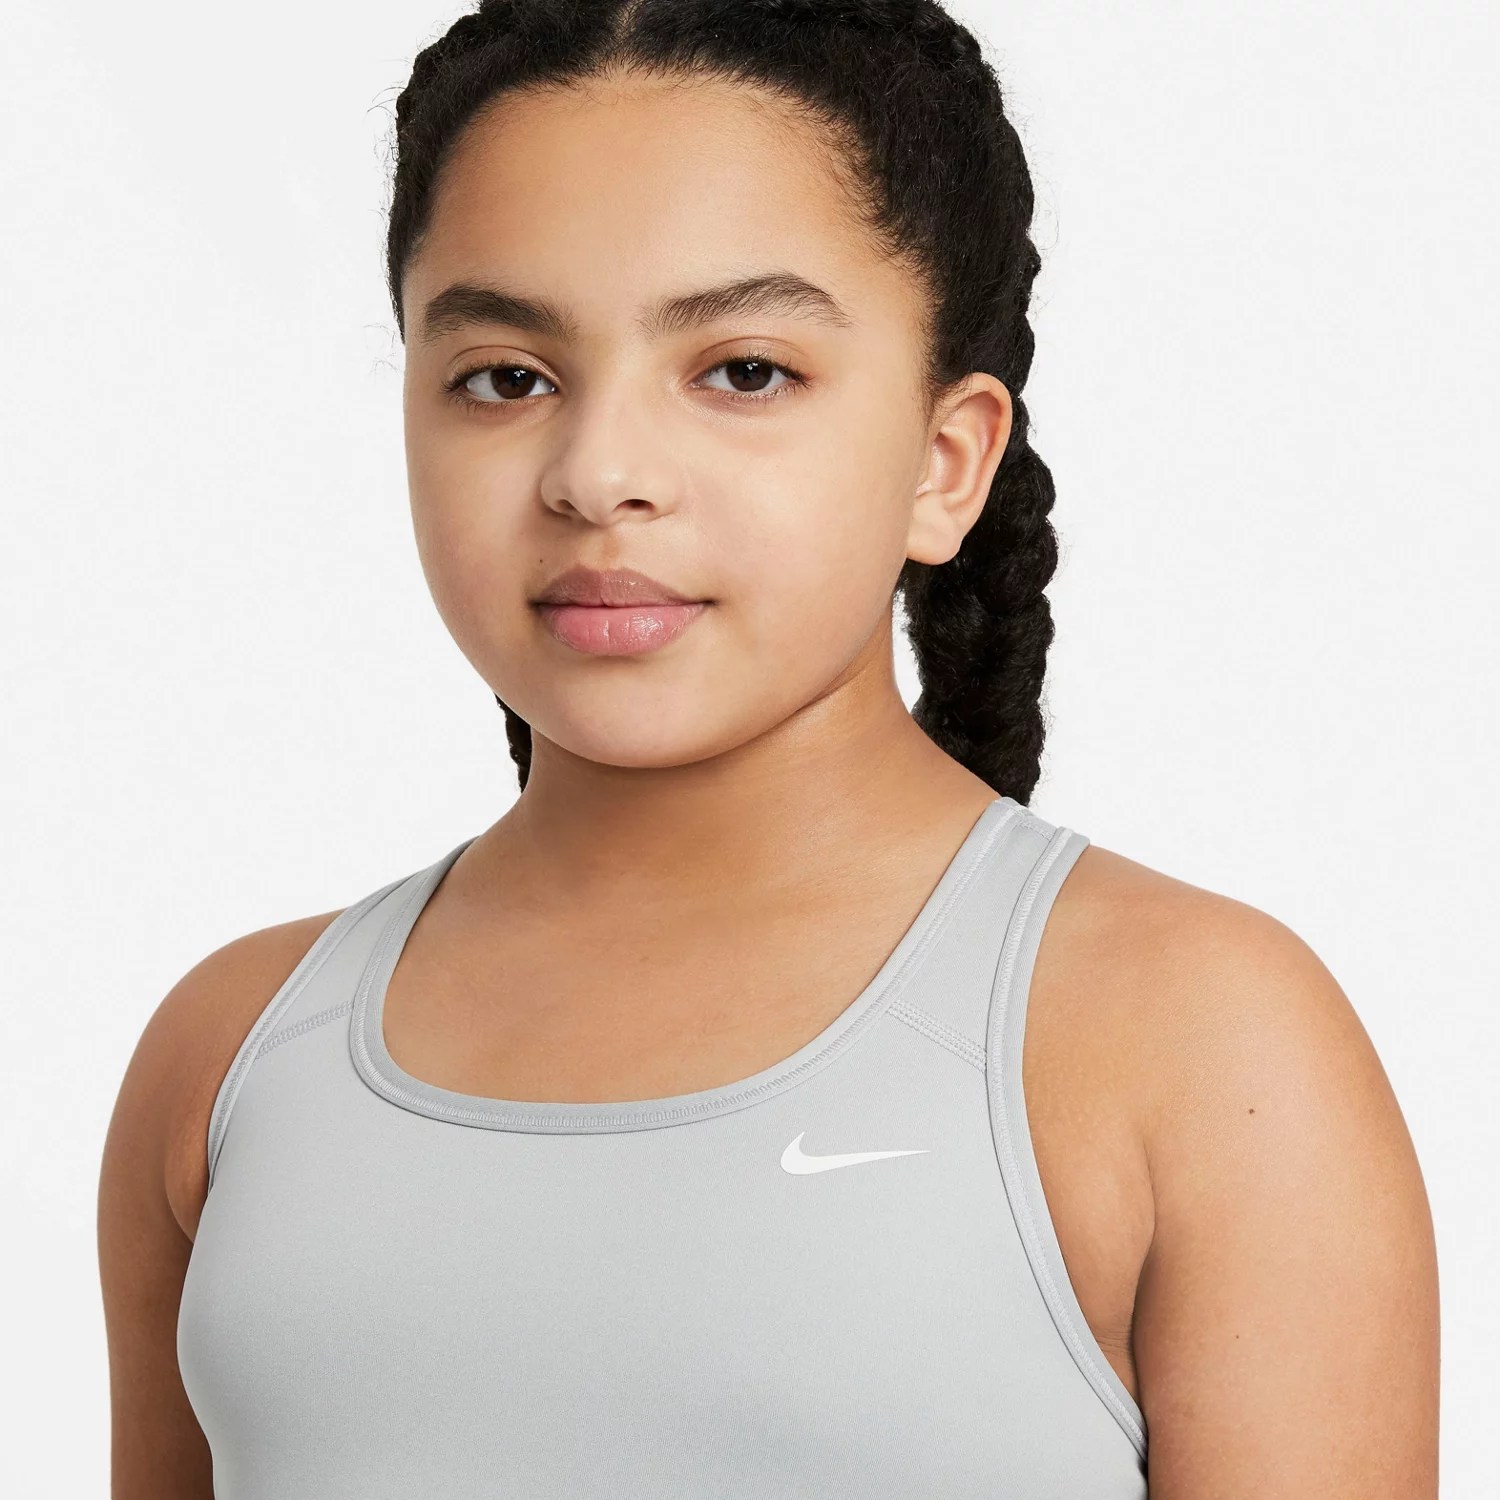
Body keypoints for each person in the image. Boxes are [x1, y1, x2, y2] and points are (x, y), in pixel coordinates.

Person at [97, 2, 1439, 1495]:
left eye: (743, 372)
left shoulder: (1193, 1044)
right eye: (506, 376)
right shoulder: (233, 1056)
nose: (600, 474)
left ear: (946, 463)